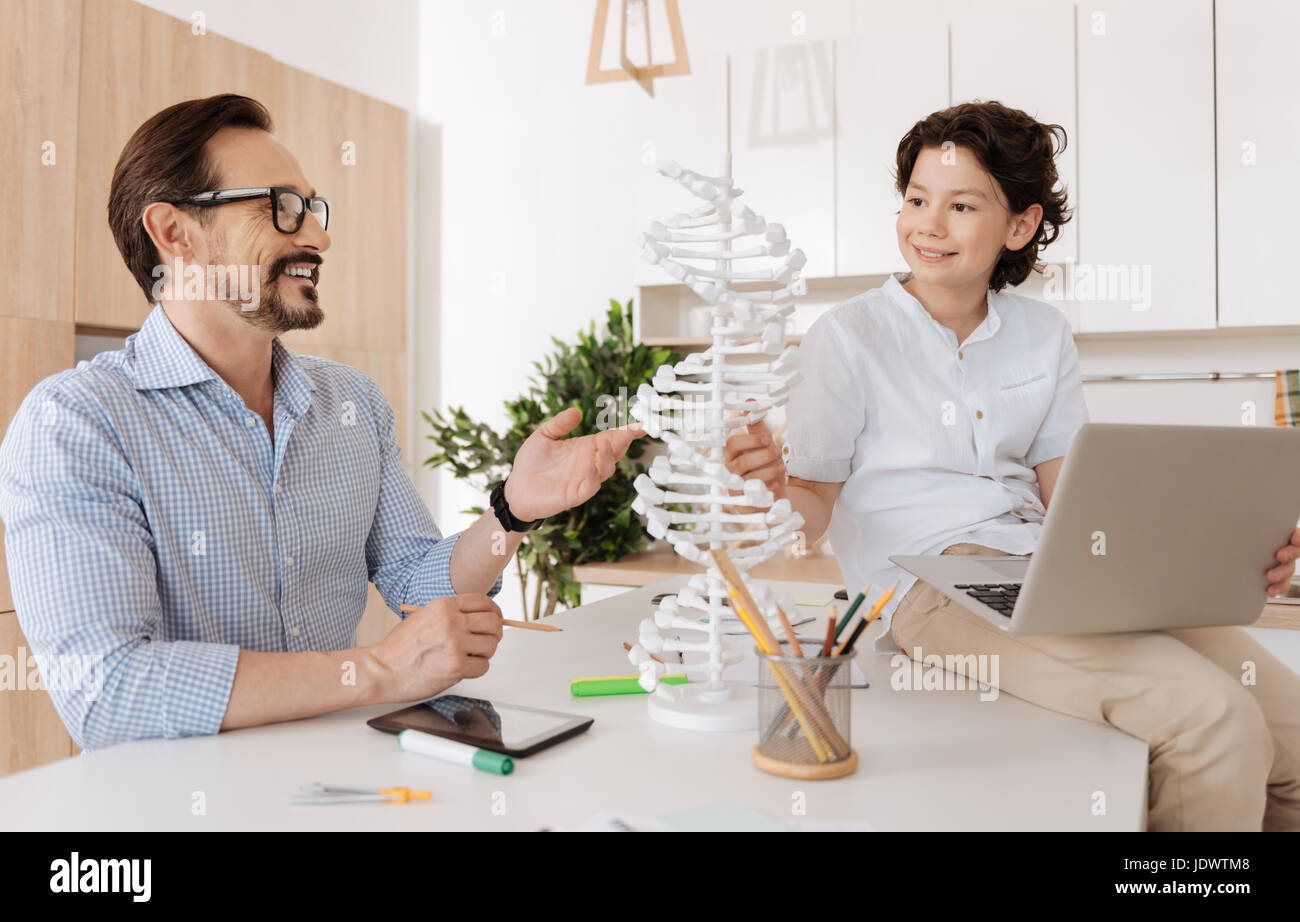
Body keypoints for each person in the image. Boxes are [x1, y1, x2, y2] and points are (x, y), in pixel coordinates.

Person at [723, 101, 1300, 831]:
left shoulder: (1042, 334)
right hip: (929, 584)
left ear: (1019, 226)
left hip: (1053, 565)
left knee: (1292, 734)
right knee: (1214, 720)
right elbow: (811, 506)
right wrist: (770, 493)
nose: (928, 225)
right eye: (916, 200)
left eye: (962, 205)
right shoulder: (846, 338)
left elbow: (1077, 504)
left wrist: (1218, 560)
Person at [0, 94, 642, 750]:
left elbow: (416, 581)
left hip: (338, 779)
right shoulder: (76, 425)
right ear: (174, 233)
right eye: (280, 206)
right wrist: (377, 669)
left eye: (313, 207)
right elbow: (108, 689)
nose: (318, 237)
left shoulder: (351, 403)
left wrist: (512, 511)